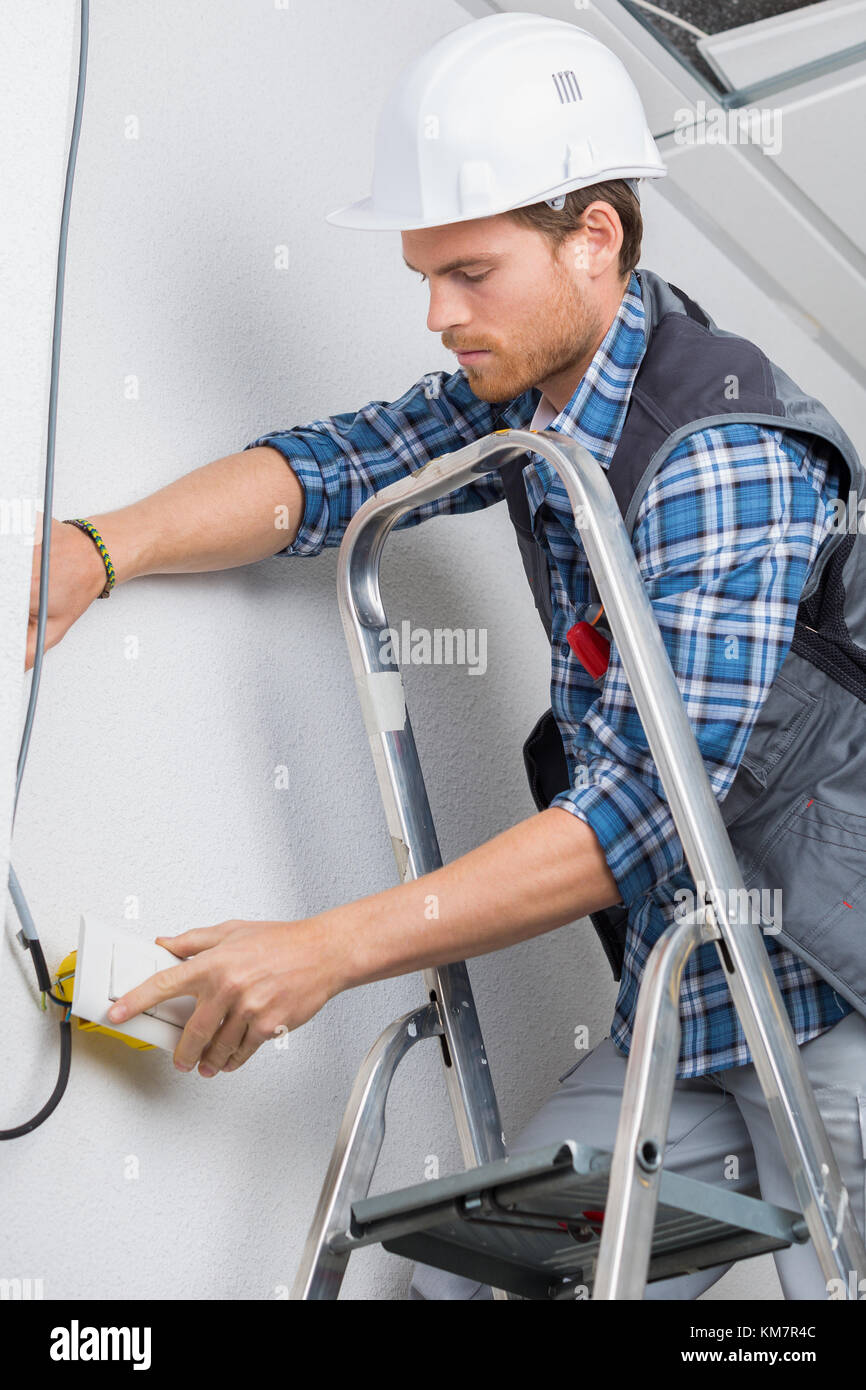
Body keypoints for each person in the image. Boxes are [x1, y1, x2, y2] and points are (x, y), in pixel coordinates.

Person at [27, 13, 866, 1300]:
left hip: (830, 994)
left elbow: (650, 810)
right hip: (695, 1009)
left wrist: (325, 951)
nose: (435, 313)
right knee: (472, 1282)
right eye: (424, 274)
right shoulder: (539, 402)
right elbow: (333, 471)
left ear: (594, 239)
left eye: (468, 273)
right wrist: (98, 545)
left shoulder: (719, 453)